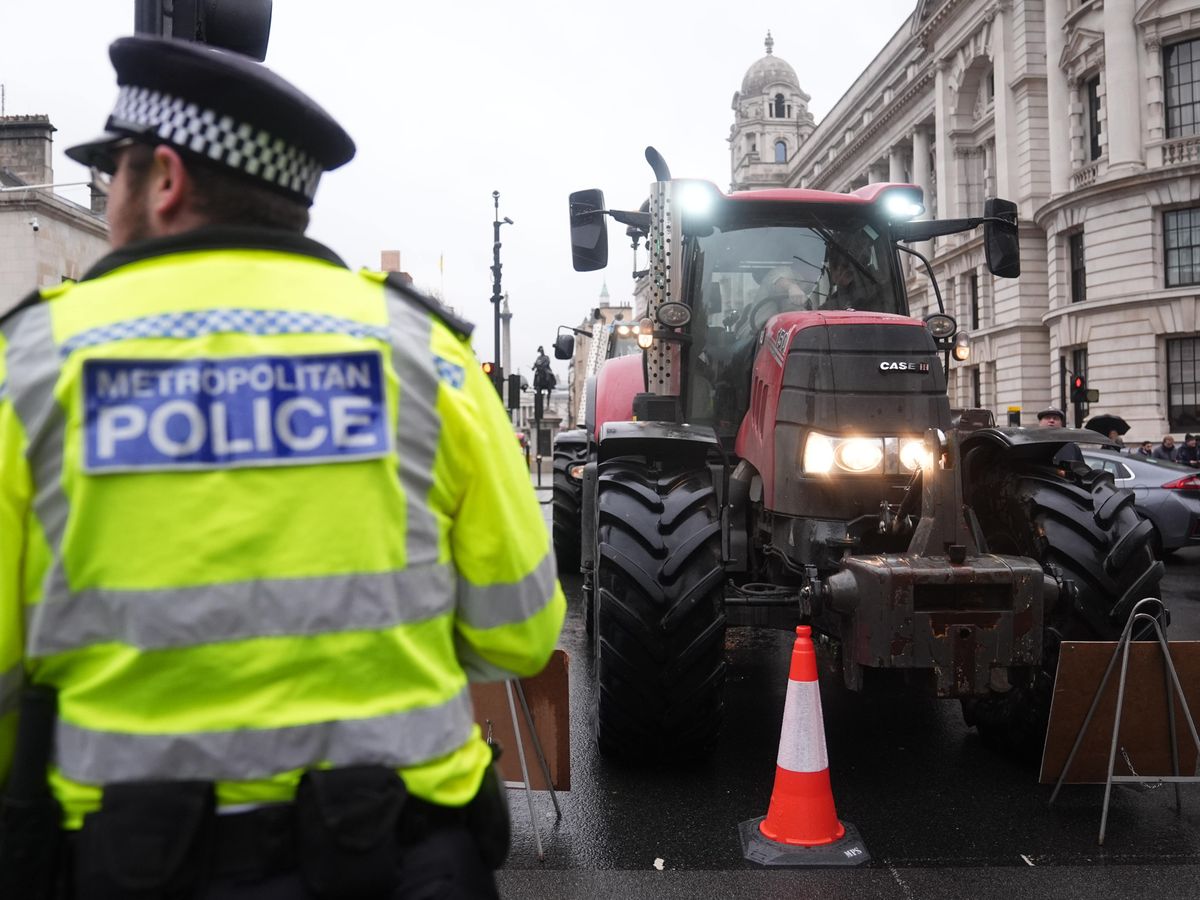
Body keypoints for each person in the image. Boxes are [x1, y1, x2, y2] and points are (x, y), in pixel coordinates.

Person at [0, 36, 564, 899]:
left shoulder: (33, 365)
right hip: (402, 861)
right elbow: (517, 631)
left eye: (111, 170)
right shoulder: (425, 356)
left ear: (163, 178)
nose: (106, 195)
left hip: (128, 864)